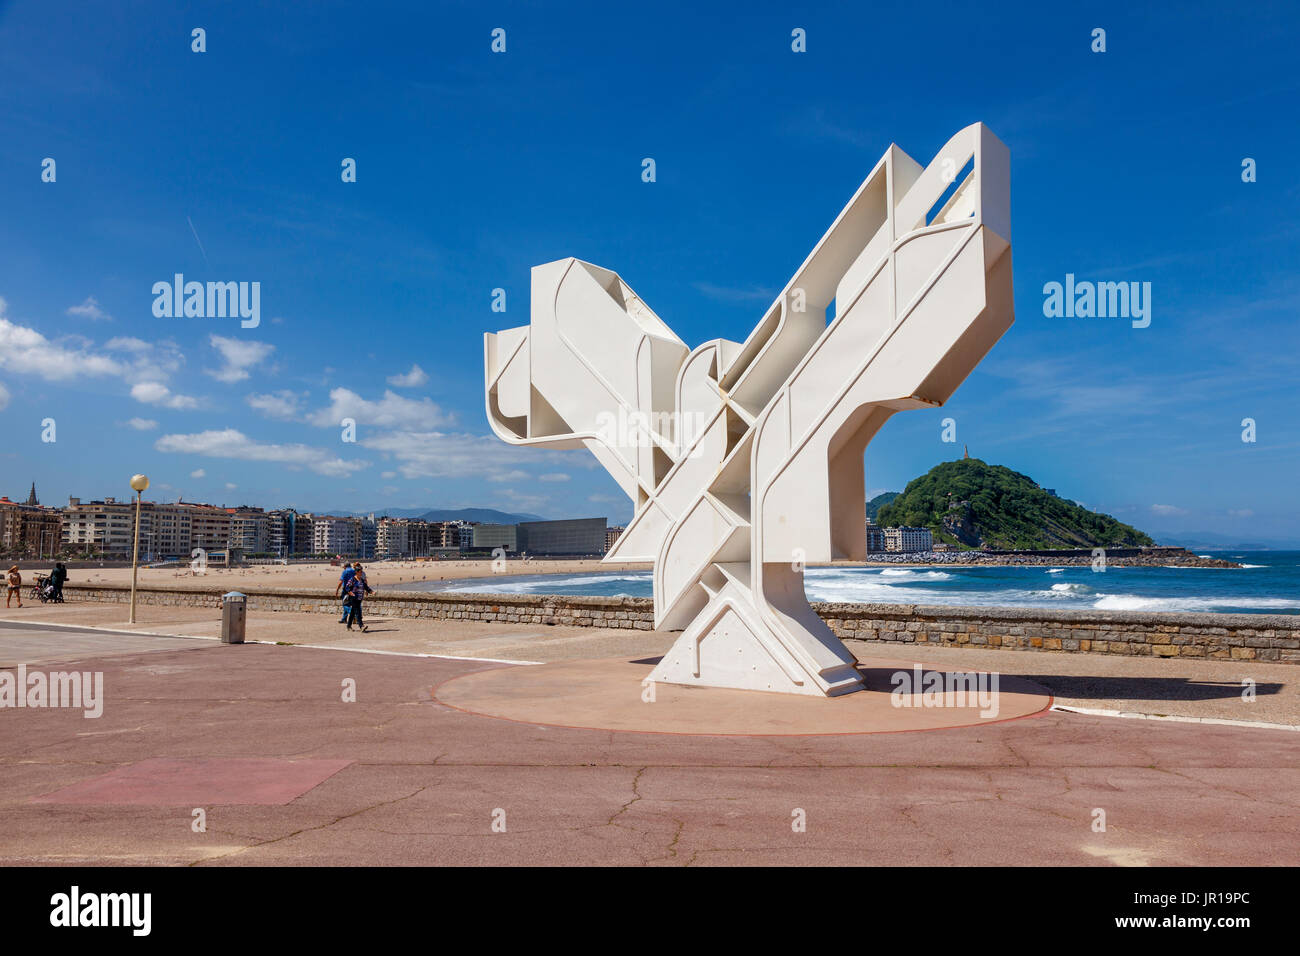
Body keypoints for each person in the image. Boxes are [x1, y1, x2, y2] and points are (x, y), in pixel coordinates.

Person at [344, 564, 372, 632]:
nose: (361, 572)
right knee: (358, 612)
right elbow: (347, 587)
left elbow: (366, 587)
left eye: (361, 571)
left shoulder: (362, 580)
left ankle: (348, 626)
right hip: (353, 598)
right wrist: (349, 592)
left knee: (353, 612)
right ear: (356, 572)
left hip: (359, 599)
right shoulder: (352, 580)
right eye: (360, 571)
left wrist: (371, 591)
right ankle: (361, 626)